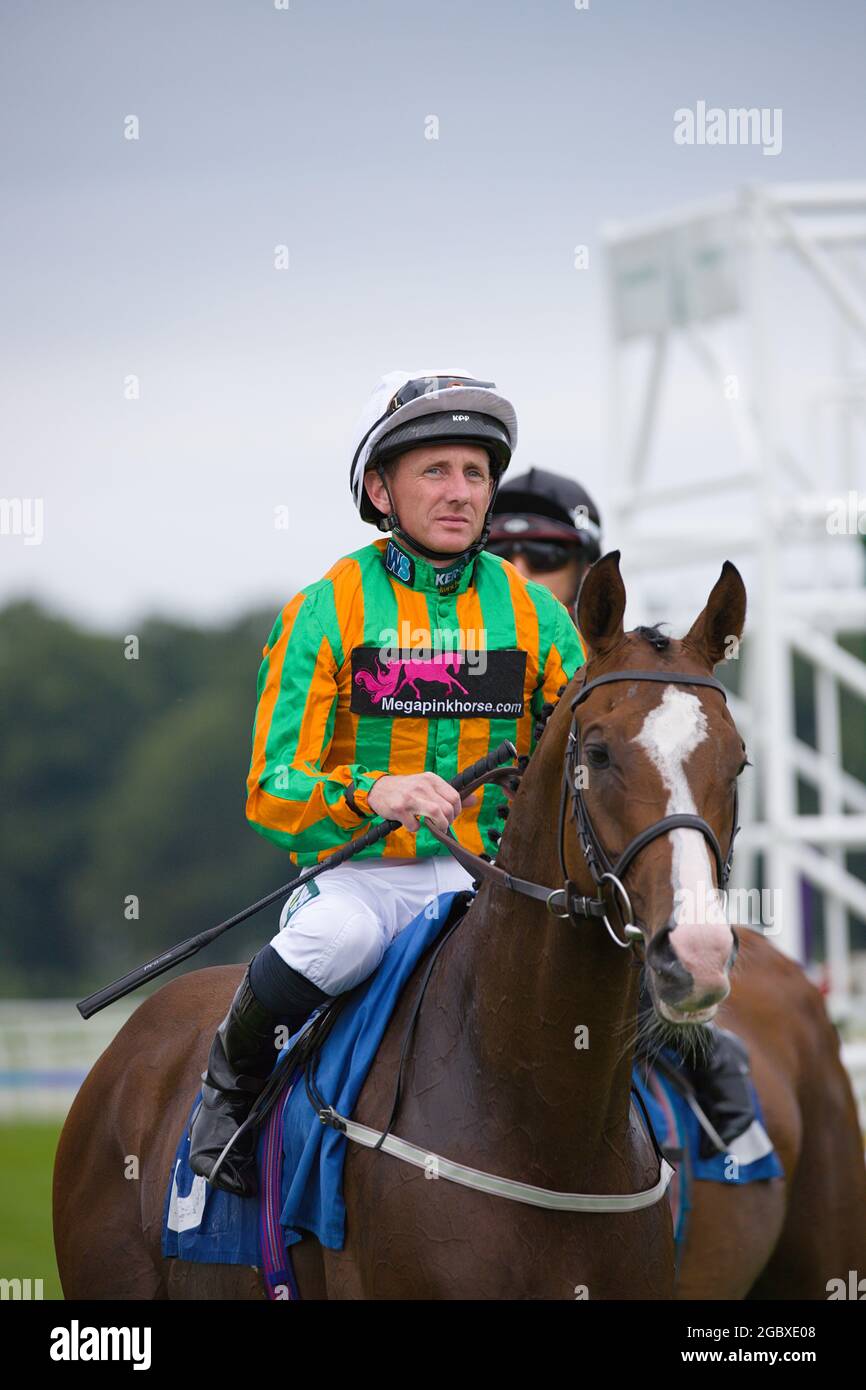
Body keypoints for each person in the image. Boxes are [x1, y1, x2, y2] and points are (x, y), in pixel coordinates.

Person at [188, 370, 586, 1196]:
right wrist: (376, 791)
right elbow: (271, 785)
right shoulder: (323, 610)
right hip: (361, 881)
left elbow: (583, 764)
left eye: (475, 473)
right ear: (380, 490)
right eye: (434, 471)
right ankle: (228, 1090)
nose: (460, 492)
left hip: (495, 883)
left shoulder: (541, 622)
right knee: (338, 943)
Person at [486, 468, 760, 1160]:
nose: (521, 572)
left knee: (662, 1000)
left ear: (586, 578)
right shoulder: (444, 646)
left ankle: (726, 1109)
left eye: (545, 558)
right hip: (457, 871)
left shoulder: (615, 673)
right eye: (501, 556)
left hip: (590, 896)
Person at [486, 467, 602, 620]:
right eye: (494, 557)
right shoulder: (450, 639)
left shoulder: (631, 644)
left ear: (587, 572)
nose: (517, 573)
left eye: (543, 556)